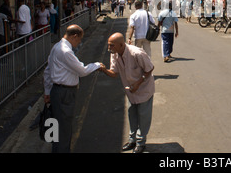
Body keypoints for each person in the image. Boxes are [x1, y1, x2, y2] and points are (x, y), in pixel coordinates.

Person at [43, 25, 105, 153]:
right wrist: (97, 65)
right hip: (64, 93)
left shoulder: (56, 47)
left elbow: (47, 72)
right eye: (79, 40)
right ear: (74, 36)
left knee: (58, 126)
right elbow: (82, 70)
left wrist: (47, 91)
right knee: (64, 128)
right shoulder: (65, 51)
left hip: (57, 91)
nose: (79, 43)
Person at [102, 32, 155, 153]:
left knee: (143, 116)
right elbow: (114, 73)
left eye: (111, 45)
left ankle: (141, 142)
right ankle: (132, 140)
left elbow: (150, 68)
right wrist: (104, 70)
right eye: (109, 45)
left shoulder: (137, 53)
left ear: (121, 45)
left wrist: (138, 83)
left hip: (143, 89)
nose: (109, 48)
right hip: (131, 91)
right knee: (132, 115)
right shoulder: (114, 54)